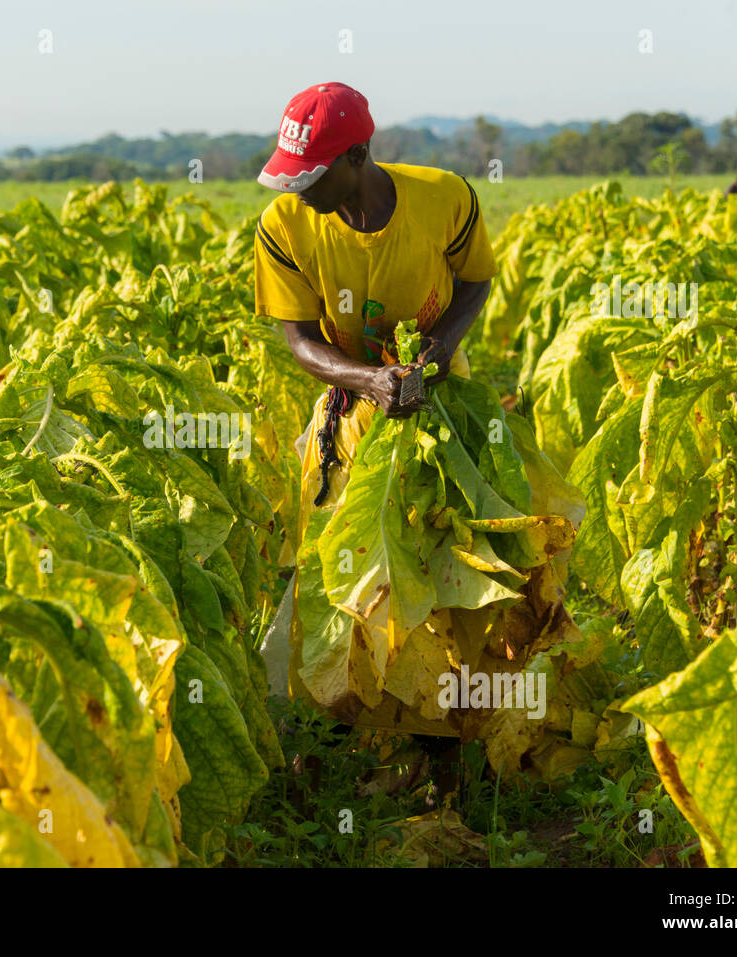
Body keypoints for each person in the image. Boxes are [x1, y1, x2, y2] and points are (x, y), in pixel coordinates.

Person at [253, 82, 503, 803]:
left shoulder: (445, 198)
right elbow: (299, 340)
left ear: (358, 156)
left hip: (442, 415)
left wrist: (431, 358)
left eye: (312, 176)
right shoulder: (286, 225)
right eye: (291, 176)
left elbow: (476, 281)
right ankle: (328, 740)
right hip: (350, 418)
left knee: (452, 579)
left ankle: (451, 757)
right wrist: (371, 380)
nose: (298, 191)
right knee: (338, 576)